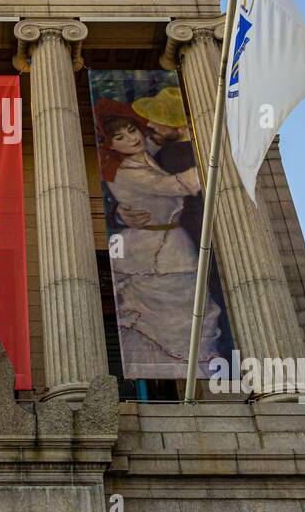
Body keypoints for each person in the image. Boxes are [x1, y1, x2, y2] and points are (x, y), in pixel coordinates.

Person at [94, 96, 225, 378]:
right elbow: (179, 184)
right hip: (155, 253)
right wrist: (214, 153)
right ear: (111, 145)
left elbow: (151, 147)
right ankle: (184, 372)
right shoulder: (128, 172)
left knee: (189, 315)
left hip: (166, 245)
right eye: (120, 136)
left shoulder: (136, 157)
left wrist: (166, 132)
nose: (131, 138)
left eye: (133, 130)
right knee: (164, 322)